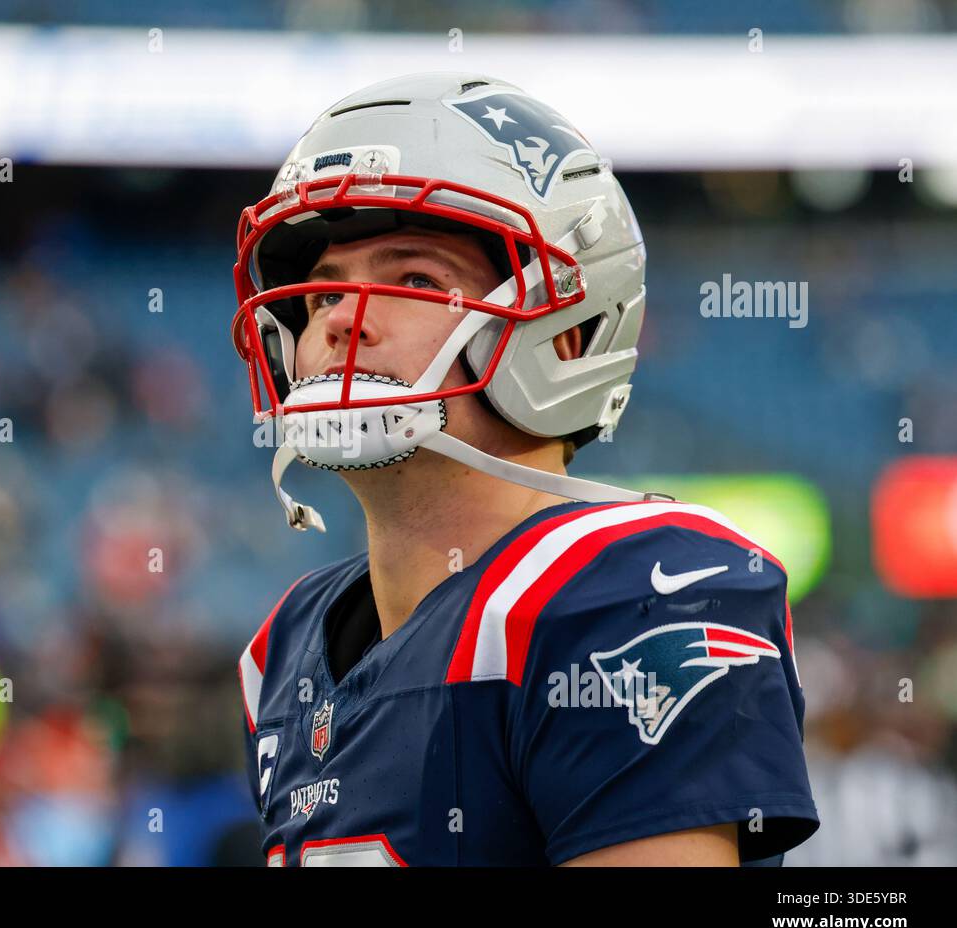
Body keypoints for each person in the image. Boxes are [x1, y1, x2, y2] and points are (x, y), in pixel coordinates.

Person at [230, 73, 818, 866]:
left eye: (413, 281)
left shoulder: (640, 589)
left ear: (563, 338)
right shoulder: (283, 649)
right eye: (324, 291)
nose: (340, 320)